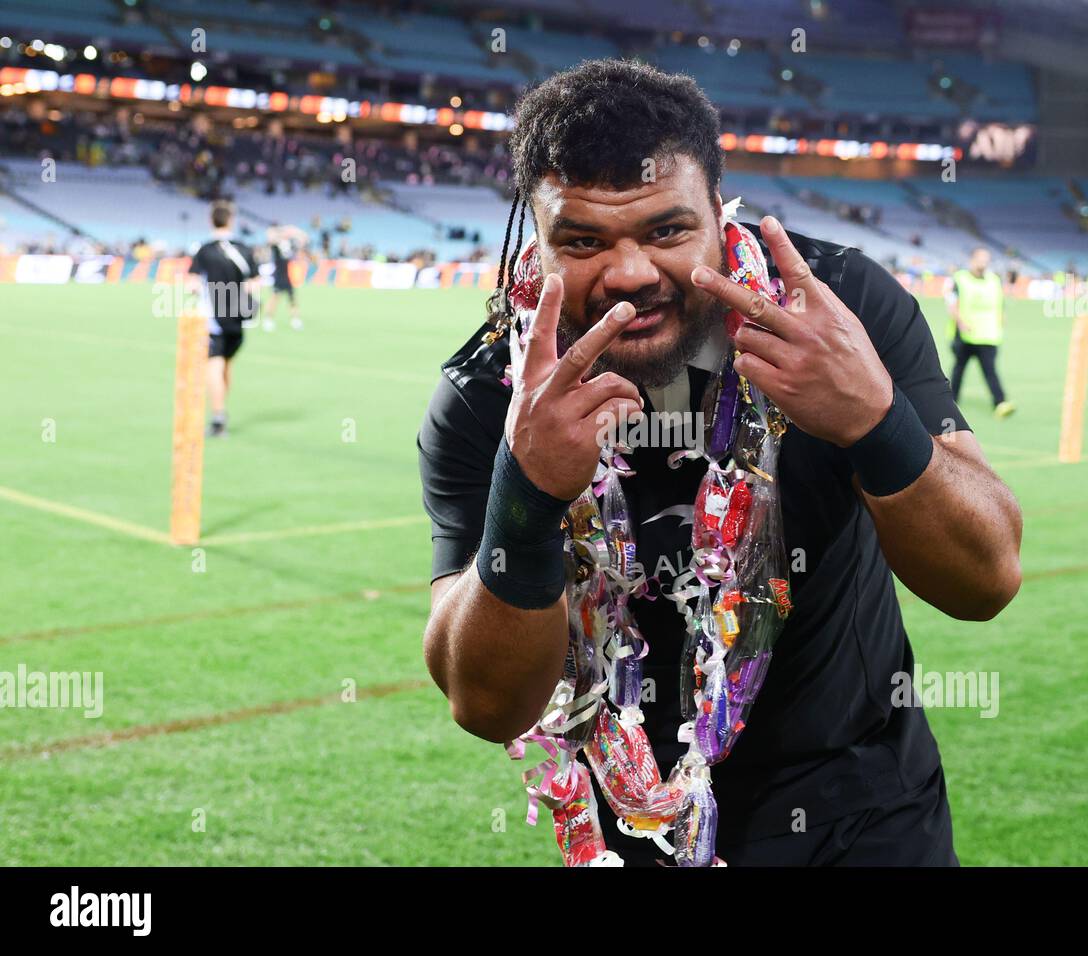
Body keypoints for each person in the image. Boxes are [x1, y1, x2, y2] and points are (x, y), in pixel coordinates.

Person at [417, 60, 1023, 866]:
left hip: (864, 818)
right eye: (584, 241)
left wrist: (875, 422)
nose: (630, 273)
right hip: (637, 827)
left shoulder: (840, 311)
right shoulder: (492, 391)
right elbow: (485, 702)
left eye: (667, 230)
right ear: (536, 238)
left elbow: (986, 579)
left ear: (718, 209)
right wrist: (524, 493)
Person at [188, 200, 258, 438]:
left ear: (211, 221)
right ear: (231, 220)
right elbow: (254, 283)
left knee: (214, 365)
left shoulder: (205, 250)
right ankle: (220, 411)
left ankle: (218, 418)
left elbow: (192, 284)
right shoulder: (244, 248)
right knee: (226, 365)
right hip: (239, 317)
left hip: (215, 319)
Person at [945, 247, 1016, 418]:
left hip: (988, 335)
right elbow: (952, 303)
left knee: (990, 371)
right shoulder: (960, 279)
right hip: (965, 335)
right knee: (958, 370)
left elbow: (999, 303)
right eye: (980, 259)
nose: (983, 263)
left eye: (986, 260)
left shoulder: (994, 280)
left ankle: (1000, 402)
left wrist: (1001, 319)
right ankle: (951, 402)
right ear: (972, 260)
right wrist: (960, 322)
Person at [263, 223, 308, 330]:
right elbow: (270, 237)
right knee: (274, 298)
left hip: (287, 276)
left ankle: (295, 320)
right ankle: (268, 319)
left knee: (292, 299)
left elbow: (304, 239)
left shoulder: (290, 244)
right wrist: (280, 231)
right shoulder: (276, 244)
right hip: (278, 275)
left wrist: (295, 231)